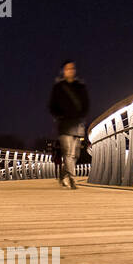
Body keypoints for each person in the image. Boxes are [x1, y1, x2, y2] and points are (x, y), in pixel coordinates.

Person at [48, 59, 89, 189]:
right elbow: (52, 105)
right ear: (64, 71)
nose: (70, 71)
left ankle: (63, 174)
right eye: (67, 69)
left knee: (75, 154)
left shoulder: (80, 86)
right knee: (68, 153)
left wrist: (82, 115)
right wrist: (59, 115)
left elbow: (86, 104)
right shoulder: (58, 87)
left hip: (77, 123)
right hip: (64, 124)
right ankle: (71, 178)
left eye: (72, 68)